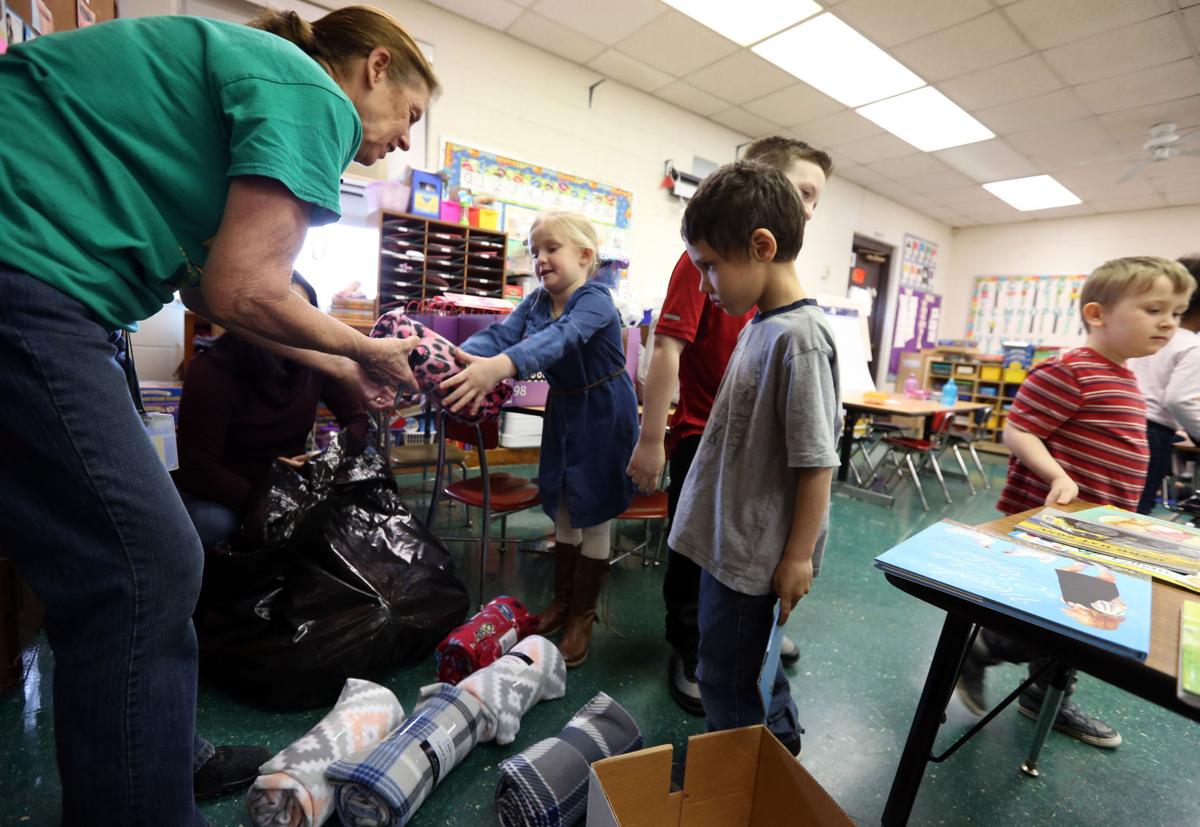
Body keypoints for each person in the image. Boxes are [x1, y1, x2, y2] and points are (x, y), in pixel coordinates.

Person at [0, 8, 435, 822]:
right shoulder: (311, 91)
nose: (407, 140)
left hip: (64, 282)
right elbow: (246, 289)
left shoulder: (246, 73)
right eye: (412, 114)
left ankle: (152, 752)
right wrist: (366, 349)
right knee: (147, 565)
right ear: (375, 66)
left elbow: (209, 289)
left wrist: (342, 361)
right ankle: (143, 800)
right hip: (29, 269)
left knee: (117, 566)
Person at [626, 136, 832, 715]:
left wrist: (796, 558)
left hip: (751, 558)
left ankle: (761, 769)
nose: (707, 284)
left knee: (735, 683)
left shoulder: (800, 340)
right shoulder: (757, 324)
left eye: (711, 268)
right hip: (723, 543)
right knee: (729, 665)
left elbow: (817, 462)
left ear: (761, 246)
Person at [957, 256, 1194, 749]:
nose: (1170, 321)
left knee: (1086, 619)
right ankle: (985, 647)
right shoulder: (1069, 370)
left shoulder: (1125, 375)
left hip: (1100, 529)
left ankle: (1044, 697)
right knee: (1083, 620)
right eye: (1154, 309)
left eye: (1178, 310)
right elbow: (1019, 428)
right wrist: (1057, 473)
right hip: (1056, 527)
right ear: (1096, 313)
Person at [440, 211, 638, 668]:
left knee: (595, 512)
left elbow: (561, 340)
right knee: (564, 505)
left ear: (585, 257)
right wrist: (454, 355)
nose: (540, 259)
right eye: (534, 251)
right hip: (566, 407)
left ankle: (582, 618)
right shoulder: (533, 303)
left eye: (552, 249)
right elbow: (501, 337)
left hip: (604, 411)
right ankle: (563, 604)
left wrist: (503, 366)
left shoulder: (595, 300)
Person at [173, 273, 370, 549]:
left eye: (304, 316)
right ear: (251, 317)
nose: (294, 327)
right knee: (214, 525)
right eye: (282, 315)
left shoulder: (315, 364)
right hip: (225, 492)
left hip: (289, 486)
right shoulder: (213, 370)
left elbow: (358, 420)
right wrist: (275, 500)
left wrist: (327, 459)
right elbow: (198, 470)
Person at [1129, 256, 1200, 513]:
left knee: (1122, 502)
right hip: (1152, 431)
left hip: (1129, 420)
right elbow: (1179, 399)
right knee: (1138, 505)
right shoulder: (1192, 345)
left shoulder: (1149, 336)